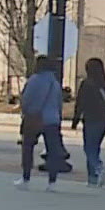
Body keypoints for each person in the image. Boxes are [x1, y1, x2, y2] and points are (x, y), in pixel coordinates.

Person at [16, 56, 66, 190]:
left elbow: (26, 99)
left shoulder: (34, 80)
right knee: (52, 151)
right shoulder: (55, 83)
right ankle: (52, 182)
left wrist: (25, 112)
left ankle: (26, 178)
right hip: (52, 120)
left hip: (35, 118)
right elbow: (59, 103)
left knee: (28, 147)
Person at [73, 58, 105, 184]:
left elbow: (80, 103)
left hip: (91, 118)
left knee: (89, 148)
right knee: (95, 147)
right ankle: (93, 176)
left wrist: (76, 119)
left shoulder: (86, 84)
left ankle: (98, 167)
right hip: (104, 118)